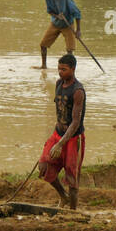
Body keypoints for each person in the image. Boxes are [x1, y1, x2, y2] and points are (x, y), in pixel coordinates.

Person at [38, 52, 85, 209]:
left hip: (72, 138)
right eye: (58, 69)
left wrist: (60, 144)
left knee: (72, 179)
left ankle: (72, 212)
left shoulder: (78, 91)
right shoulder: (58, 84)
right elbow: (60, 111)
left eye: (63, 69)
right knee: (43, 167)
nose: (60, 72)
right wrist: (54, 140)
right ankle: (62, 196)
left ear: (73, 69)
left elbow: (76, 122)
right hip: (57, 133)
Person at [38, 0, 81, 69]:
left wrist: (78, 30)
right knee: (43, 45)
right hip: (55, 23)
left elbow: (76, 12)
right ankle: (44, 65)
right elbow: (49, 11)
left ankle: (71, 69)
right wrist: (57, 16)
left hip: (67, 24)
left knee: (70, 50)